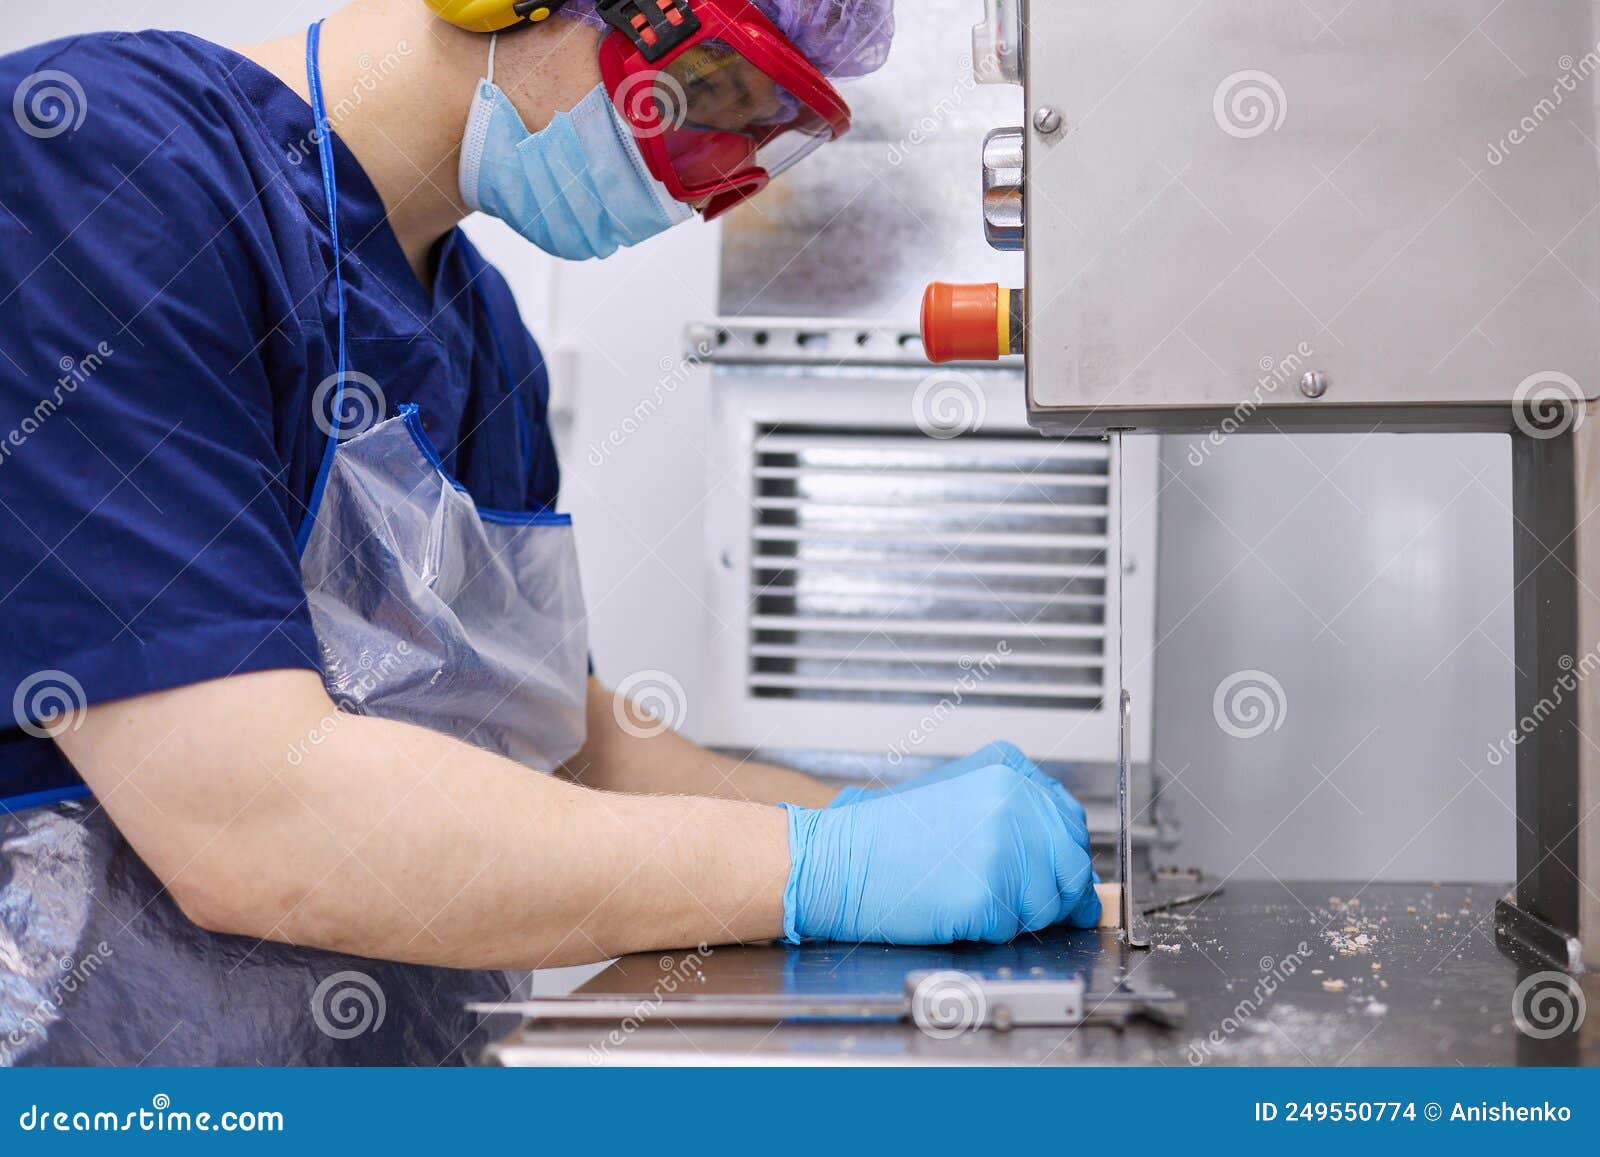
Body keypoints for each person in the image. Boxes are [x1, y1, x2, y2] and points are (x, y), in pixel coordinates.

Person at [0, 0, 1099, 1065]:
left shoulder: (482, 332)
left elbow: (559, 736)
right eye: (712, 90)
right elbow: (243, 815)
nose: (715, 177)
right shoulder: (102, 171)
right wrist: (827, 864)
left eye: (768, 129)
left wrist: (878, 815)